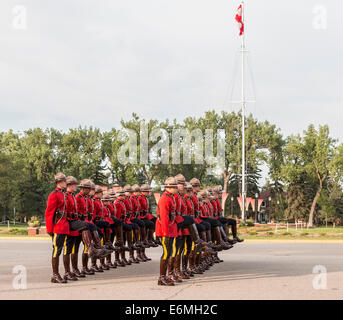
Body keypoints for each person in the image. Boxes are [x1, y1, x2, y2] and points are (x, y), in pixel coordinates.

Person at [45, 173, 70, 283]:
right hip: (57, 227)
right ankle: (55, 274)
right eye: (65, 181)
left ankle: (58, 274)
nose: (66, 183)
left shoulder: (63, 194)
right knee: (57, 250)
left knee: (60, 250)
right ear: (60, 182)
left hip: (63, 226)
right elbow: (49, 213)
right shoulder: (54, 194)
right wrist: (50, 229)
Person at [156, 177, 179, 286]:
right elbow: (164, 218)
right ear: (170, 187)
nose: (177, 188)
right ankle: (161, 278)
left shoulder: (171, 197)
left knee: (171, 252)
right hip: (165, 230)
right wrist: (165, 234)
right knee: (166, 254)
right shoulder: (165, 198)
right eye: (175, 186)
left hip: (171, 229)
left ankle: (168, 275)